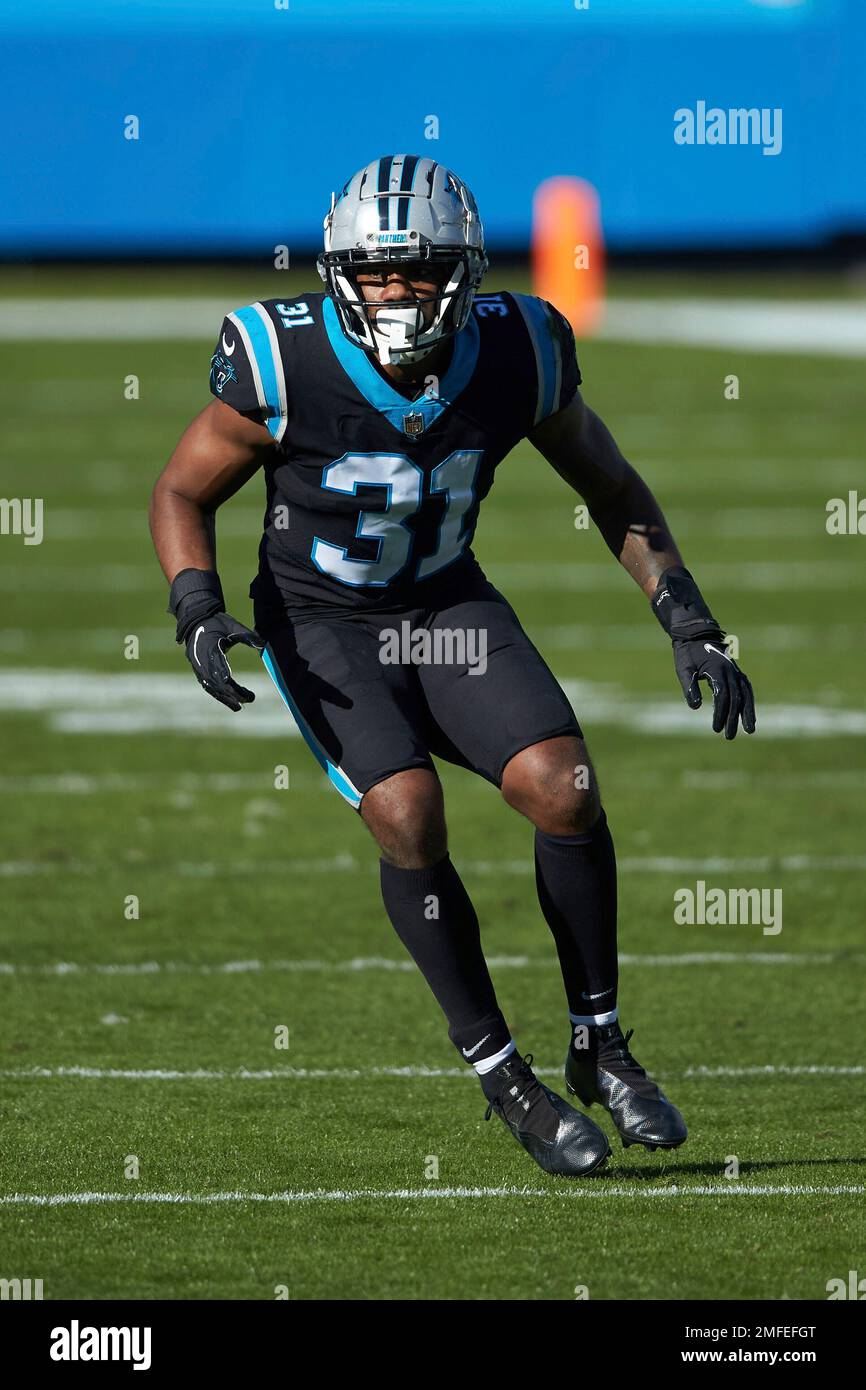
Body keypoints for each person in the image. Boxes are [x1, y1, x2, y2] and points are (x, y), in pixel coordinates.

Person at [149, 155, 755, 1178]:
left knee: (563, 787)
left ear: (463, 270)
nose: (397, 291)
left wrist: (684, 614)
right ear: (340, 271)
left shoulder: (519, 345)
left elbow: (609, 482)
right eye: (377, 271)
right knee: (406, 814)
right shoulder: (280, 357)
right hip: (320, 616)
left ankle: (599, 1041)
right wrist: (195, 607)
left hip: (442, 600)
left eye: (420, 270)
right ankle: (501, 1077)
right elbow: (179, 490)